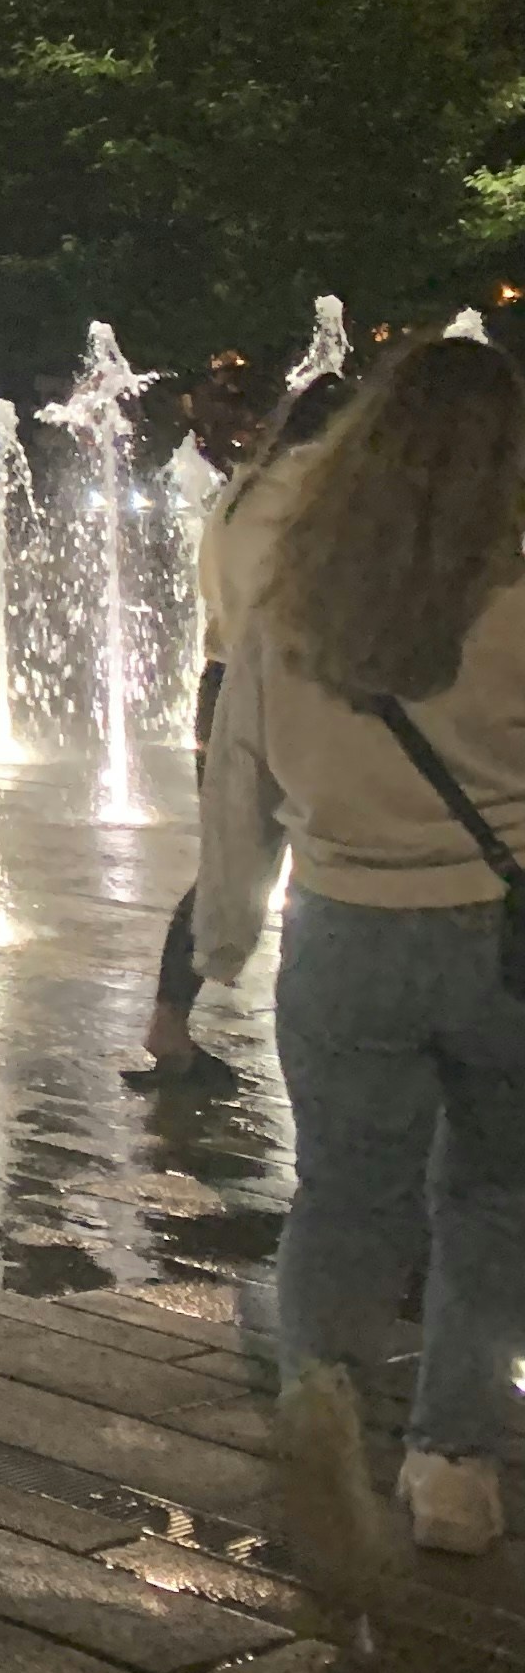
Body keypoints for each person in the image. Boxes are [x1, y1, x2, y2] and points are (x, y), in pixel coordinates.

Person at [197, 334, 525, 1565]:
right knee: (494, 1198)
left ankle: (323, 1415)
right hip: (503, 942)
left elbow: (239, 778)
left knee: (345, 1196)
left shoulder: (296, 609)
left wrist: (225, 932)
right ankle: (453, 1464)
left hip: (340, 932)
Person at [130, 365, 350, 1087]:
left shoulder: (245, 490)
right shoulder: (324, 490)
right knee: (332, 861)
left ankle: (169, 1025)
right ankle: (336, 1043)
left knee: (232, 859)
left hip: (223, 682)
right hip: (294, 687)